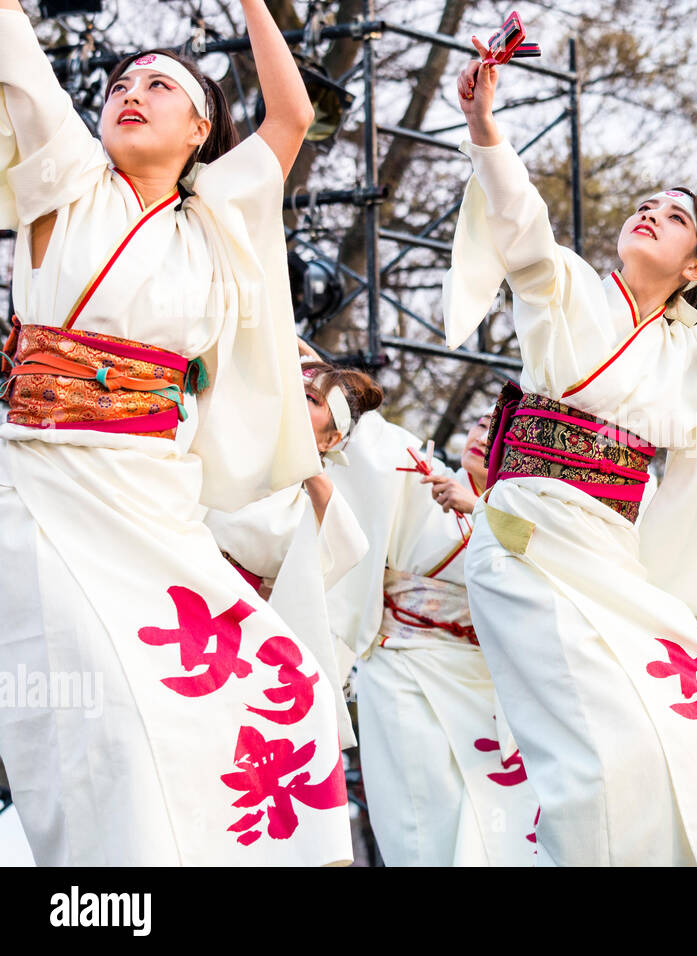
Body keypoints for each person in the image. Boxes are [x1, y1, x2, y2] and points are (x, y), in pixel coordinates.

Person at [443, 43, 697, 865]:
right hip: (527, 543)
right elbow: (518, 218)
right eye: (645, 205)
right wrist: (485, 125)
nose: (648, 213)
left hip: (614, 558)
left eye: (674, 216)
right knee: (600, 752)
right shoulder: (565, 288)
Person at [0, 1, 351, 864]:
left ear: (201, 128)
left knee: (280, 687)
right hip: (48, 480)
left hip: (157, 497)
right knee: (95, 707)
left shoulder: (218, 216)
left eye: (160, 85)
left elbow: (292, 114)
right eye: (121, 83)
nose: (131, 93)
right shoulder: (67, 178)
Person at [326, 405, 540, 866]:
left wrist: (480, 509)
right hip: (404, 663)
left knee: (493, 814)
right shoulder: (423, 474)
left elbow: (556, 563)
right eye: (481, 424)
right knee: (419, 805)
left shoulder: (524, 512)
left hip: (488, 687)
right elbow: (368, 438)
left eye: (501, 432)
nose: (484, 436)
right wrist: (312, 371)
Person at [204, 361, 376, 750]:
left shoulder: (311, 506)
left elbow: (349, 546)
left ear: (330, 440)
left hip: (232, 630)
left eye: (311, 398)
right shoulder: (227, 448)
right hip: (176, 584)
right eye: (292, 388)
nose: (296, 399)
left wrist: (310, 466)